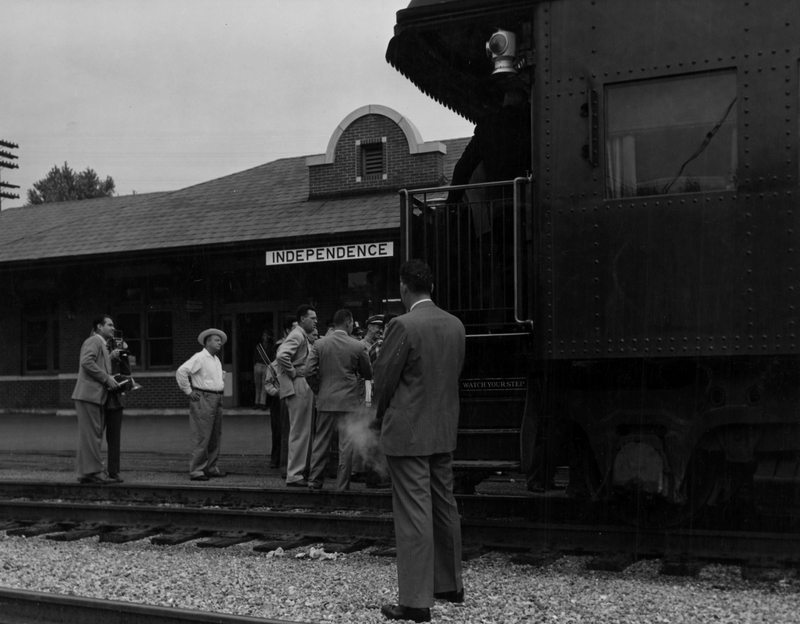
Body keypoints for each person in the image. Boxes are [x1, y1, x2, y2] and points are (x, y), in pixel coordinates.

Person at [374, 260, 466, 623]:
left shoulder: (403, 325)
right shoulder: (455, 325)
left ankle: (415, 602)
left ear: (403, 287)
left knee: (414, 514)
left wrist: (379, 415)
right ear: (431, 286)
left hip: (408, 432)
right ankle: (449, 585)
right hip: (442, 428)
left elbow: (384, 379)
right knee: (444, 504)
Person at [306, 309, 372, 491]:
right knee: (346, 446)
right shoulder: (357, 345)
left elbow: (308, 371)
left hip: (326, 400)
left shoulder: (319, 344)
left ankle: (314, 482)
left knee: (321, 442)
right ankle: (342, 486)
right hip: (349, 402)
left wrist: (319, 390)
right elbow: (368, 373)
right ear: (349, 322)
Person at [72, 314, 121, 484]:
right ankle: (95, 472)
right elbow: (87, 362)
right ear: (99, 327)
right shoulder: (94, 340)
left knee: (88, 436)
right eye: (110, 325)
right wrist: (107, 378)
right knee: (93, 435)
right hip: (89, 396)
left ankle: (85, 473)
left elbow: (95, 364)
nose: (113, 328)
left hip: (91, 396)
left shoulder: (101, 344)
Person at [176, 328, 228, 482]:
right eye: (216, 340)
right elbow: (181, 371)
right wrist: (189, 391)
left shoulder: (215, 359)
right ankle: (197, 470)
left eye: (220, 341)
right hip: (204, 397)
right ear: (207, 342)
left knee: (215, 435)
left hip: (217, 397)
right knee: (202, 435)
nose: (219, 343)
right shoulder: (200, 357)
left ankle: (211, 467)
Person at [276, 304, 318, 487]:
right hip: (299, 384)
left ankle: (298, 471)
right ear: (303, 319)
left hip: (301, 383)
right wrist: (293, 372)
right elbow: (282, 355)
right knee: (300, 430)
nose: (315, 321)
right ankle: (294, 474)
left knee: (302, 430)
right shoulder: (298, 334)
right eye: (312, 318)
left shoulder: (301, 335)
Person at [104, 335, 134, 483]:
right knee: (95, 437)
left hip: (115, 399)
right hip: (99, 397)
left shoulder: (119, 354)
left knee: (114, 437)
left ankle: (113, 471)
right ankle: (94, 470)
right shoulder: (95, 348)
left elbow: (127, 372)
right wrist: (109, 357)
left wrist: (124, 353)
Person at [276, 317, 297, 479]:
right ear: (288, 330)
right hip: (288, 391)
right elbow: (282, 358)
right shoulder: (285, 345)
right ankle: (285, 465)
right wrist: (294, 372)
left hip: (296, 392)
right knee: (287, 431)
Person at [253, 330, 272, 411]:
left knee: (264, 385)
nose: (266, 337)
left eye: (267, 335)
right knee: (257, 385)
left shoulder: (270, 347)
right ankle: (256, 402)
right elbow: (254, 356)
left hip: (266, 365)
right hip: (258, 365)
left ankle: (262, 403)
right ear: (262, 337)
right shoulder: (259, 346)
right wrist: (255, 364)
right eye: (264, 335)